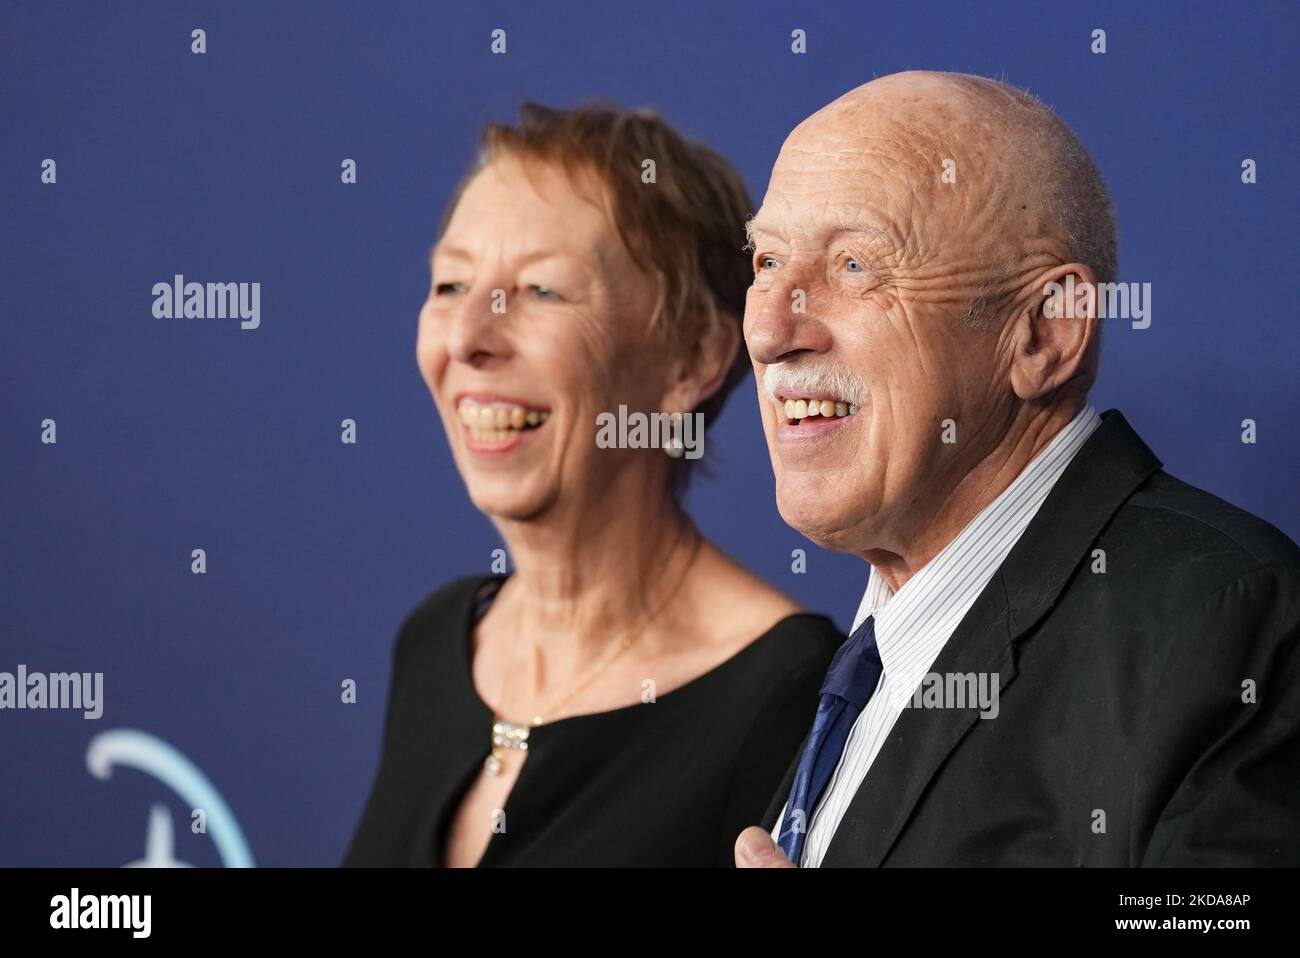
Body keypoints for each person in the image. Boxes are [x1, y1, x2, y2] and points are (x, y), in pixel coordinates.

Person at [733, 71, 1300, 867]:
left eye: (854, 265)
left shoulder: (1238, 622)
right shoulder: (868, 662)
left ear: (1045, 332)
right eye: (765, 261)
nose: (765, 328)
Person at [342, 102, 841, 867]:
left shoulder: (789, 700)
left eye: (542, 292)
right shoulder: (436, 640)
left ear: (693, 357)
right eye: (449, 285)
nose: (470, 339)